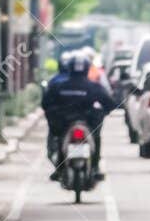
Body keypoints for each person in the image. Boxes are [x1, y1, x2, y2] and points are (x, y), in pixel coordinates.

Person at [42, 51, 115, 181]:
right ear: (87, 69)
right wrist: (105, 111)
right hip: (86, 122)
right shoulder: (93, 87)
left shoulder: (58, 86)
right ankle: (95, 167)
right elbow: (109, 103)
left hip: (66, 122)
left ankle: (59, 169)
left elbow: (46, 103)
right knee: (96, 137)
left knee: (59, 138)